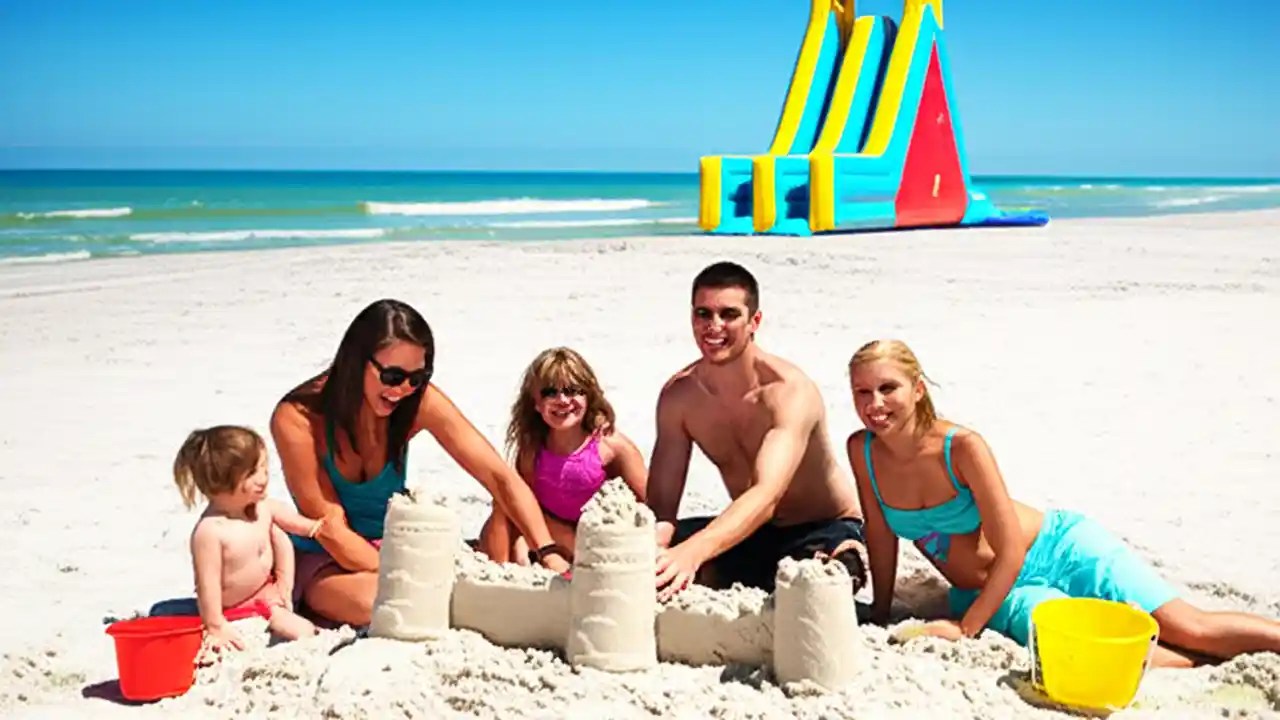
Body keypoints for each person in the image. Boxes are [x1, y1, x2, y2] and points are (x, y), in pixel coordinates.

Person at [846, 338, 1280, 667]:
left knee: (1190, 627)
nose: (874, 404)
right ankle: (1211, 664)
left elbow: (1011, 549)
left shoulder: (962, 447)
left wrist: (966, 629)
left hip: (1058, 549)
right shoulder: (862, 450)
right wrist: (881, 611)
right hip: (988, 591)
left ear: (918, 389)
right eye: (862, 392)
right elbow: (881, 534)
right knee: (1093, 650)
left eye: (888, 388)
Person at [270, 299, 572, 627]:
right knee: (389, 602)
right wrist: (407, 569)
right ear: (355, 361)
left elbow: (498, 477)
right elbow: (331, 529)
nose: (403, 389)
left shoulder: (417, 400)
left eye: (418, 377)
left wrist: (549, 553)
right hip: (329, 556)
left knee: (503, 516)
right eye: (392, 375)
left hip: (392, 541)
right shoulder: (297, 418)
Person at [648, 261, 868, 601]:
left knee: (820, 581)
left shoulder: (788, 392)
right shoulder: (679, 397)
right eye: (703, 314)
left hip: (822, 526)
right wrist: (657, 550)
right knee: (650, 556)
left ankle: (843, 562)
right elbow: (663, 511)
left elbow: (767, 495)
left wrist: (691, 553)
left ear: (755, 321)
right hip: (749, 530)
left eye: (729, 314)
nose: (713, 326)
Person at [479, 346, 648, 564]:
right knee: (504, 497)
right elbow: (521, 506)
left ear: (589, 397)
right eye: (550, 392)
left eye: (573, 391)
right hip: (549, 538)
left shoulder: (612, 447)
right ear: (536, 404)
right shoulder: (533, 448)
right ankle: (499, 574)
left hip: (594, 543)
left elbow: (650, 507)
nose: (562, 400)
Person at [173, 425, 320, 650]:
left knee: (277, 533)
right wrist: (215, 625)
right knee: (302, 631)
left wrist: (321, 529)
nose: (264, 477)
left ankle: (288, 600)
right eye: (252, 473)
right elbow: (207, 584)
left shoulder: (261, 507)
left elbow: (299, 525)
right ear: (220, 482)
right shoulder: (211, 531)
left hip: (270, 591)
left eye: (263, 468)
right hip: (238, 608)